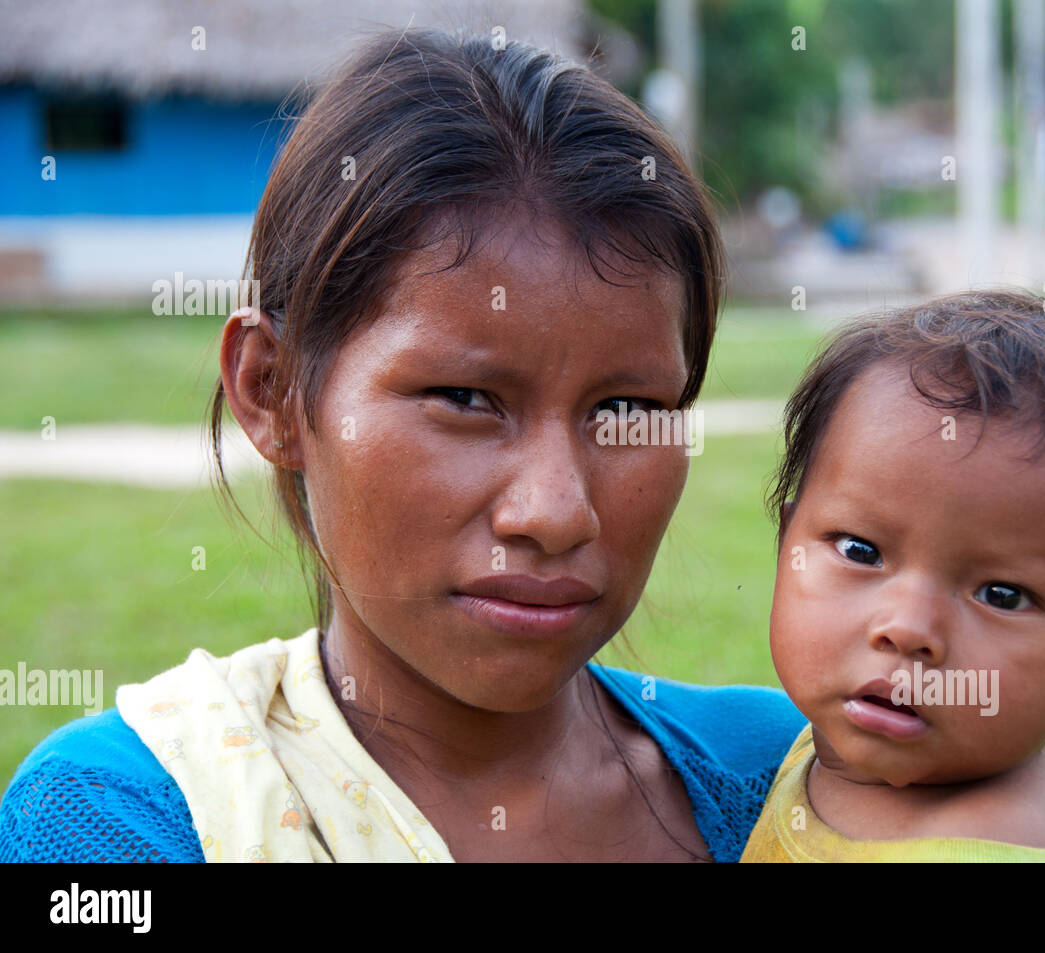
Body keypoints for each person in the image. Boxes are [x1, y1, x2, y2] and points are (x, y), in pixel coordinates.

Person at [0, 29, 805, 863]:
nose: (557, 511)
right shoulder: (122, 817)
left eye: (628, 408)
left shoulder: (794, 784)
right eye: (464, 398)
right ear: (270, 390)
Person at [741, 290, 1045, 862]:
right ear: (786, 545)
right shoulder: (819, 743)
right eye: (860, 550)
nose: (908, 628)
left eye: (1002, 595)